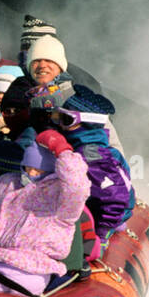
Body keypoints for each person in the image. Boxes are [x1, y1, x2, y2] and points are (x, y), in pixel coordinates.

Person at [0, 129, 91, 296]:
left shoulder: (63, 196)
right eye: (27, 167)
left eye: (38, 170)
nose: (31, 174)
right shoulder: (7, 184)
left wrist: (63, 150)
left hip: (36, 269)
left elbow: (78, 185)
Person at [54, 84, 136, 251]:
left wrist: (101, 232)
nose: (60, 125)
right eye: (58, 117)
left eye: (67, 120)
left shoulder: (92, 155)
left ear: (87, 124)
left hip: (104, 219)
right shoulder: (88, 146)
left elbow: (115, 197)